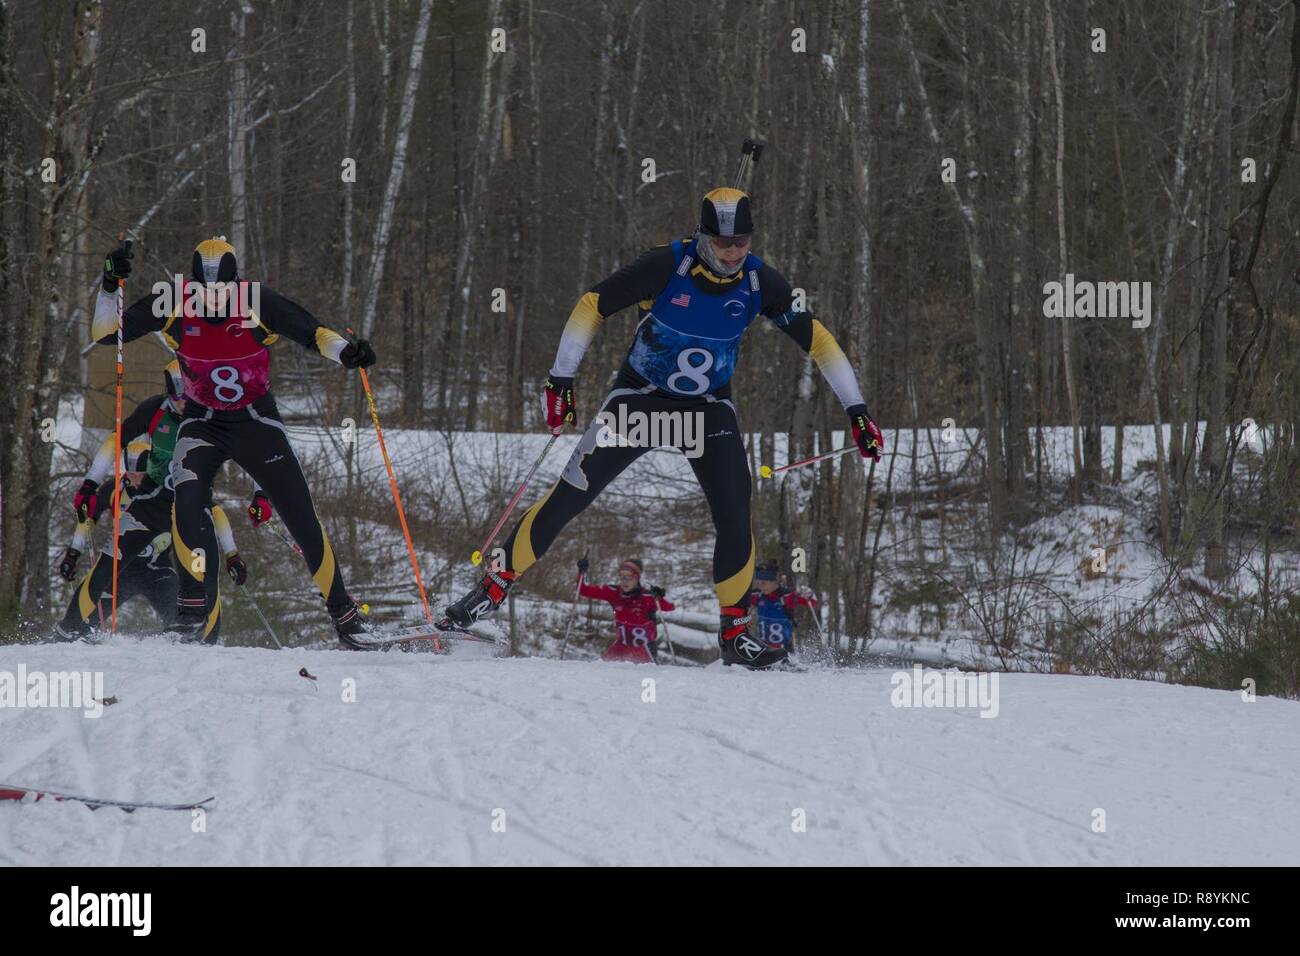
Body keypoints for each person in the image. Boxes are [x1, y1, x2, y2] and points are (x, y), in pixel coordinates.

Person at [444, 187, 883, 669]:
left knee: (736, 509)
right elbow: (593, 304)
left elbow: (818, 341)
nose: (733, 253)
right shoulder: (665, 265)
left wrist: (856, 411)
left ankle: (735, 634)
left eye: (742, 242)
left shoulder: (761, 284)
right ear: (703, 237)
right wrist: (561, 378)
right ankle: (488, 592)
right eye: (723, 243)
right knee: (570, 495)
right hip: (640, 402)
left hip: (707, 410)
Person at [91, 237, 376, 646]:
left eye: (221, 293)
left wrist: (348, 353)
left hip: (254, 421)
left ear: (235, 284)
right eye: (204, 293)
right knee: (186, 497)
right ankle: (190, 610)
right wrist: (108, 283)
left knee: (299, 513)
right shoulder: (172, 300)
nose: (212, 301)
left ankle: (346, 617)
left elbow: (311, 332)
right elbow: (106, 334)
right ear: (192, 286)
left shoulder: (257, 301)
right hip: (202, 421)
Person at [55, 363, 245, 641]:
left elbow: (249, 453)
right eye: (176, 397)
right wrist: (90, 484)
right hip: (151, 504)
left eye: (188, 397)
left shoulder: (213, 416)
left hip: (192, 507)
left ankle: (206, 641)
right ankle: (68, 629)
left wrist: (237, 546)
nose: (182, 403)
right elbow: (115, 440)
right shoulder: (155, 410)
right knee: (105, 568)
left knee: (203, 572)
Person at [574, 557, 674, 663]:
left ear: (637, 578)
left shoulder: (647, 596)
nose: (624, 581)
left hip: (644, 650)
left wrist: (661, 595)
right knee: (600, 670)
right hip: (621, 647)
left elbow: (670, 606)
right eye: (622, 577)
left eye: (629, 577)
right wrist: (581, 572)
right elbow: (583, 590)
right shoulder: (613, 592)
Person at [749, 560, 819, 659]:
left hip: (784, 649)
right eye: (758, 583)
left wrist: (810, 595)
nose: (761, 586)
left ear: (773, 582)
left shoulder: (786, 596)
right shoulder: (757, 595)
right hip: (763, 649)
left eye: (764, 583)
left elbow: (812, 603)